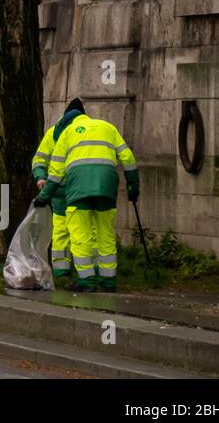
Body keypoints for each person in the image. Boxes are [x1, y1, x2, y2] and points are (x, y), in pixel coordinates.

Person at [35, 99, 139, 292]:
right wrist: (133, 186)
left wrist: (44, 196)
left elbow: (56, 171)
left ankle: (87, 281)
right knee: (105, 234)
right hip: (107, 188)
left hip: (77, 190)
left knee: (80, 235)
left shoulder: (65, 133)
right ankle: (109, 281)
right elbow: (128, 158)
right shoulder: (108, 127)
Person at [31, 100, 82, 285]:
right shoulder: (85, 131)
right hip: (79, 191)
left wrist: (40, 178)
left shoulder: (53, 132)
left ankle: (62, 274)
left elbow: (39, 159)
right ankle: (88, 274)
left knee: (60, 233)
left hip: (57, 190)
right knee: (82, 232)